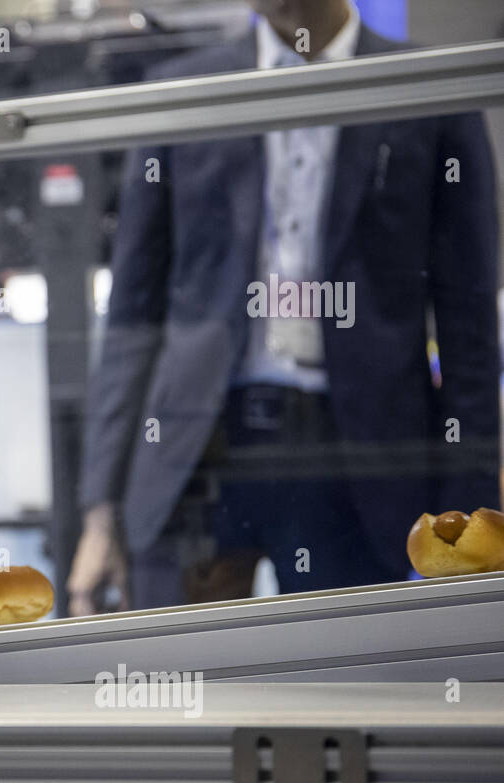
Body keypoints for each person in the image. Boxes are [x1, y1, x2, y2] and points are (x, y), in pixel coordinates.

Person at [69, 0, 501, 615]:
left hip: (357, 463)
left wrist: (472, 517)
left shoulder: (428, 89)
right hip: (199, 453)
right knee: (189, 693)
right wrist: (100, 511)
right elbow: (134, 311)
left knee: (348, 698)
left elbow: (469, 321)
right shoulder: (184, 91)